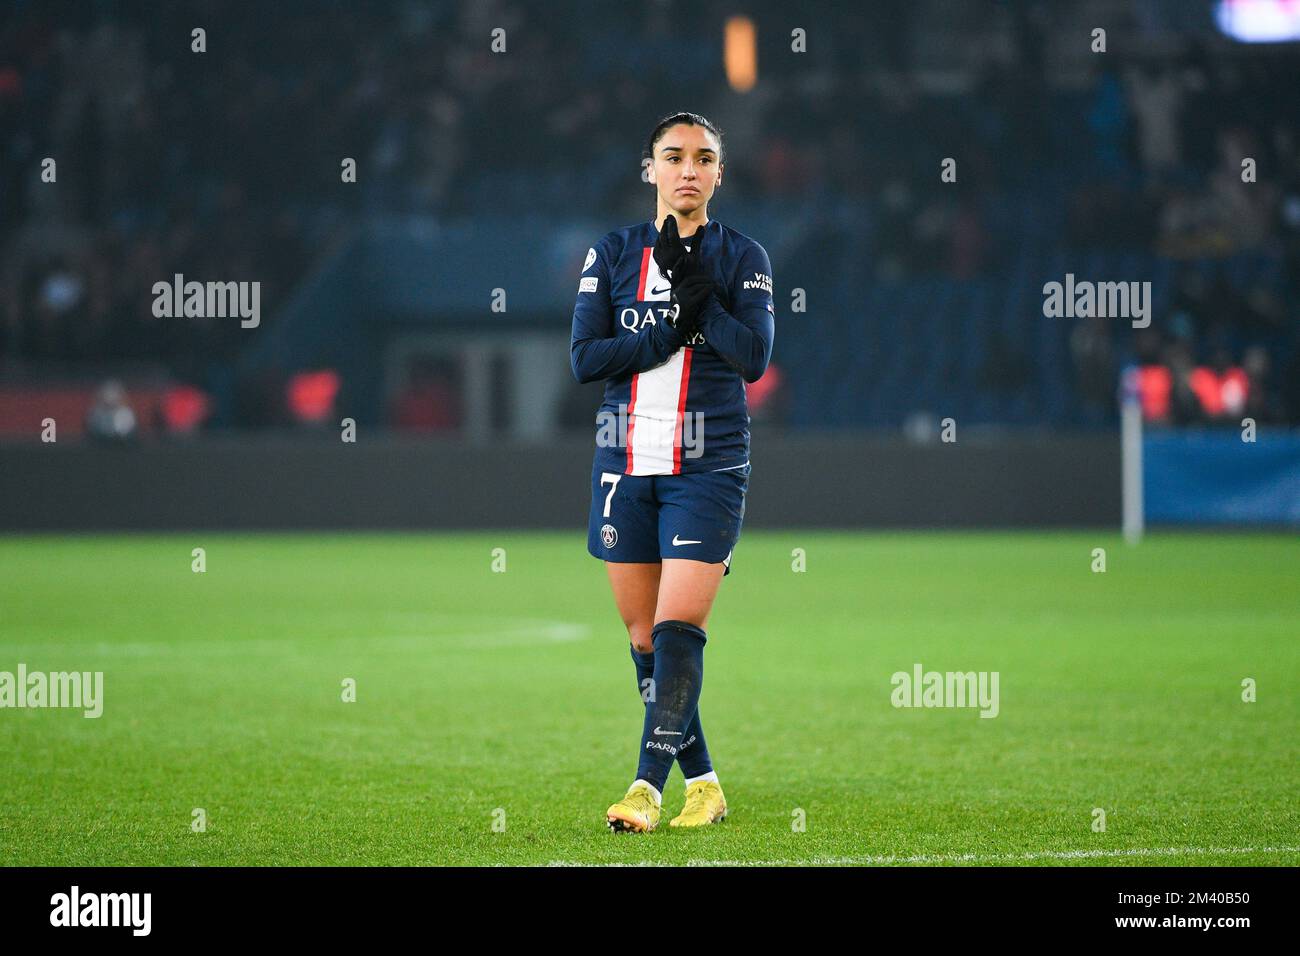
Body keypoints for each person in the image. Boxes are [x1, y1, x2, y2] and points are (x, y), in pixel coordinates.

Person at [569, 111, 775, 832]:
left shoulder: (744, 258)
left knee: (678, 624)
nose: (689, 169)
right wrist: (666, 330)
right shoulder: (613, 253)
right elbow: (584, 360)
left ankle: (644, 791)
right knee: (645, 640)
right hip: (624, 459)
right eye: (674, 155)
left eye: (704, 157)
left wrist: (702, 300)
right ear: (649, 168)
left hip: (707, 461)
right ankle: (706, 785)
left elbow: (752, 357)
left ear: (720, 173)